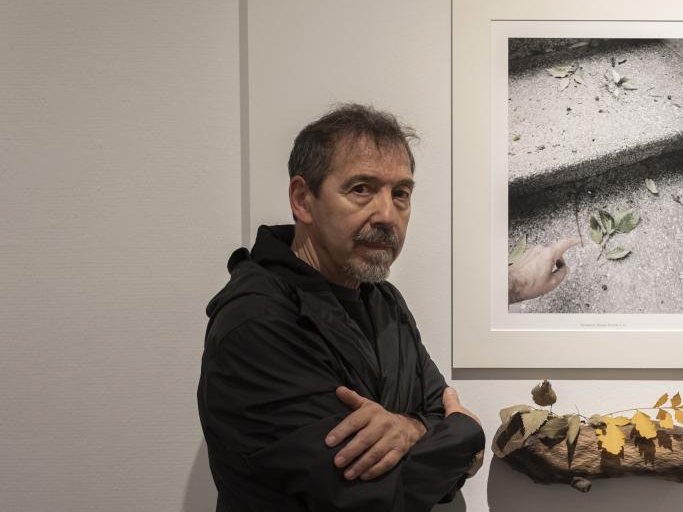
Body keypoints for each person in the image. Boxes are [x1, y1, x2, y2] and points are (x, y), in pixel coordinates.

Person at [198, 104, 485, 511]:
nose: (387, 215)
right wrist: (466, 436)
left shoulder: (384, 300)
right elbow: (371, 496)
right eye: (361, 189)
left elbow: (436, 406)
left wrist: (409, 427)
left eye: (400, 193)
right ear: (303, 199)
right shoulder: (256, 322)